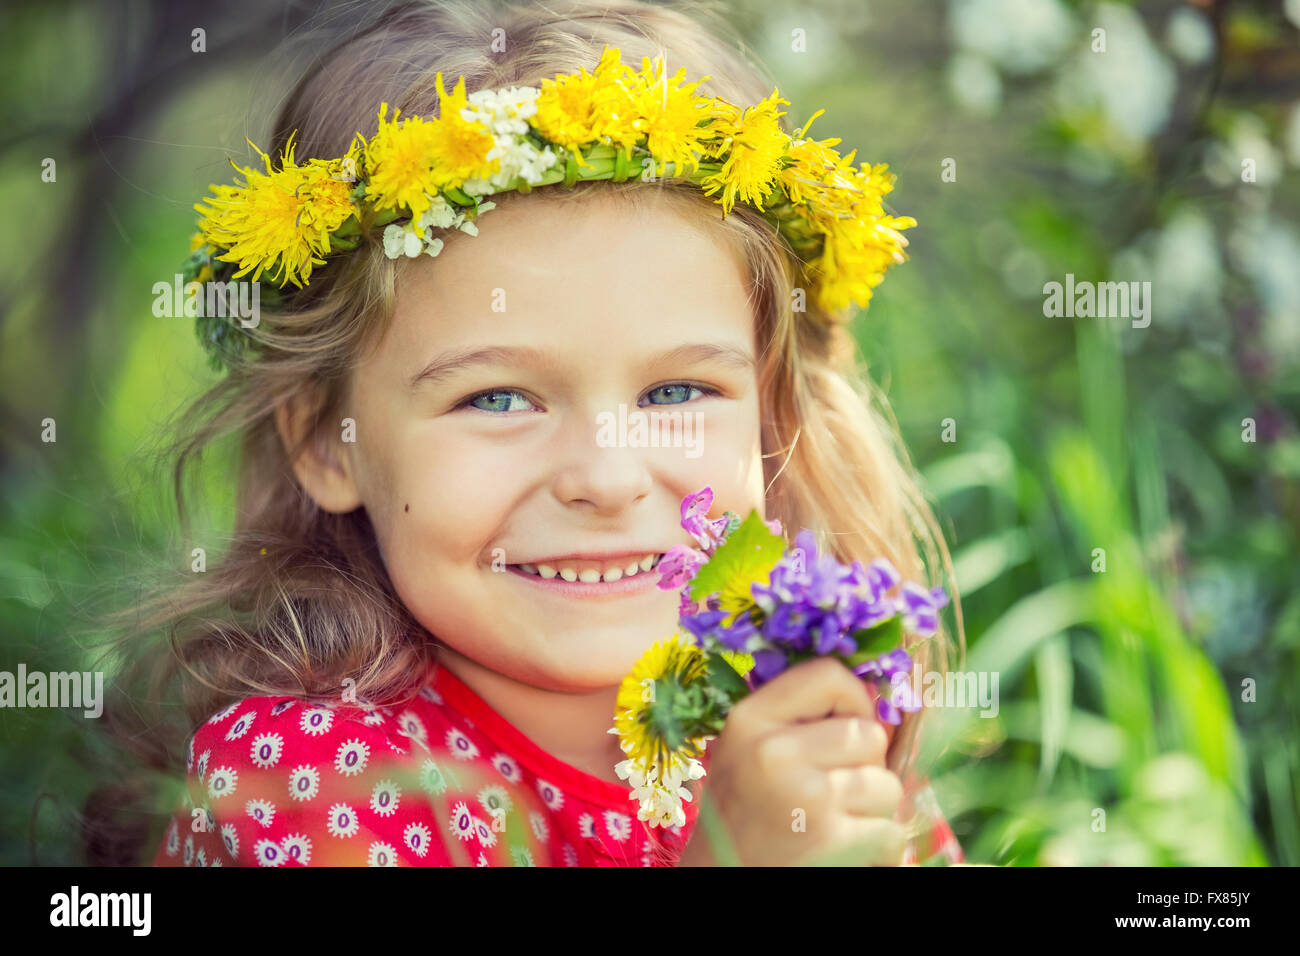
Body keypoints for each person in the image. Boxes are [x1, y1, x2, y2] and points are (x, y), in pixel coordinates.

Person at [102, 0, 967, 867]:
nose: (607, 476)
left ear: (771, 411)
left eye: (676, 390)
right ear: (328, 441)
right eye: (500, 400)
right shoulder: (316, 783)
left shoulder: (803, 725)